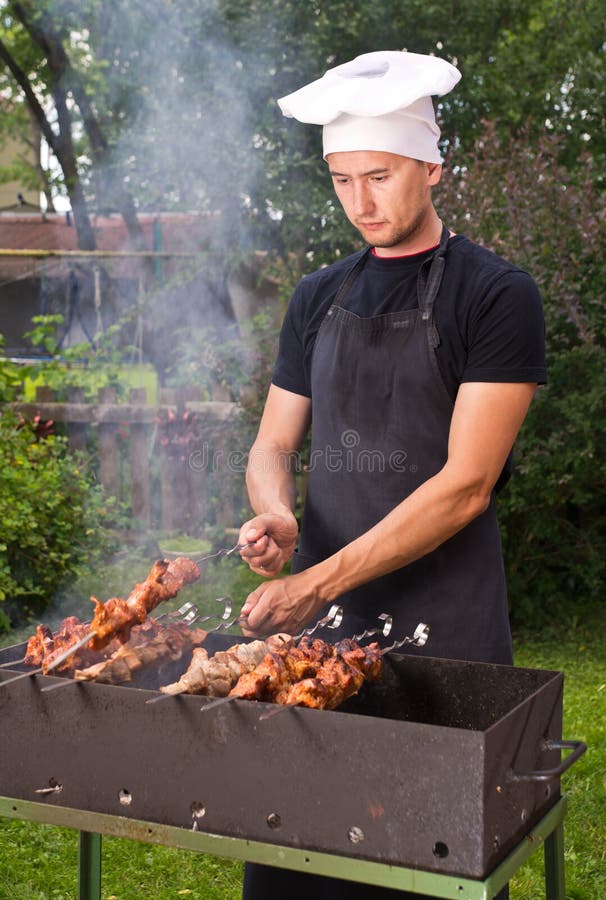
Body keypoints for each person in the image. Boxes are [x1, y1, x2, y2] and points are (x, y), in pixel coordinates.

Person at [236, 50, 546, 900]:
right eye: (341, 180)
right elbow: (273, 446)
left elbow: (467, 485)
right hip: (322, 640)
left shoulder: (494, 296)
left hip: (448, 639)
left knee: (429, 870)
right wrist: (279, 516)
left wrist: (319, 581)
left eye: (379, 176)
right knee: (297, 863)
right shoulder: (316, 296)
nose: (360, 202)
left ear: (433, 167)